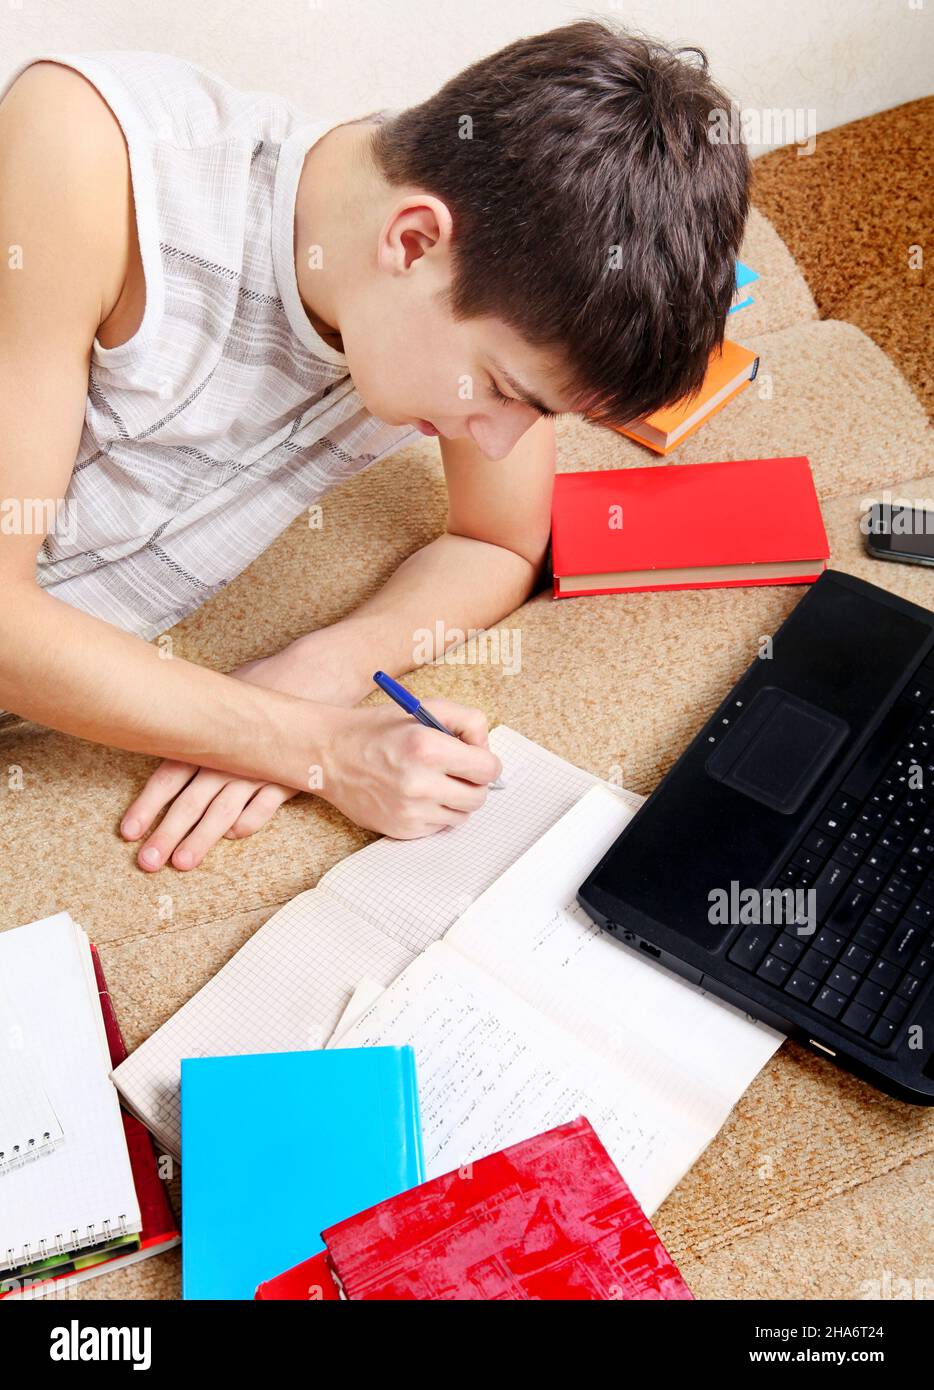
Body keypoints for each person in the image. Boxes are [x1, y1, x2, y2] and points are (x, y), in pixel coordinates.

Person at [0, 21, 749, 871]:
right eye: (504, 391)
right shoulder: (90, 153)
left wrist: (325, 662)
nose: (503, 438)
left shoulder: (470, 275)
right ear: (413, 241)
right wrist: (317, 747)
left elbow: (498, 540)